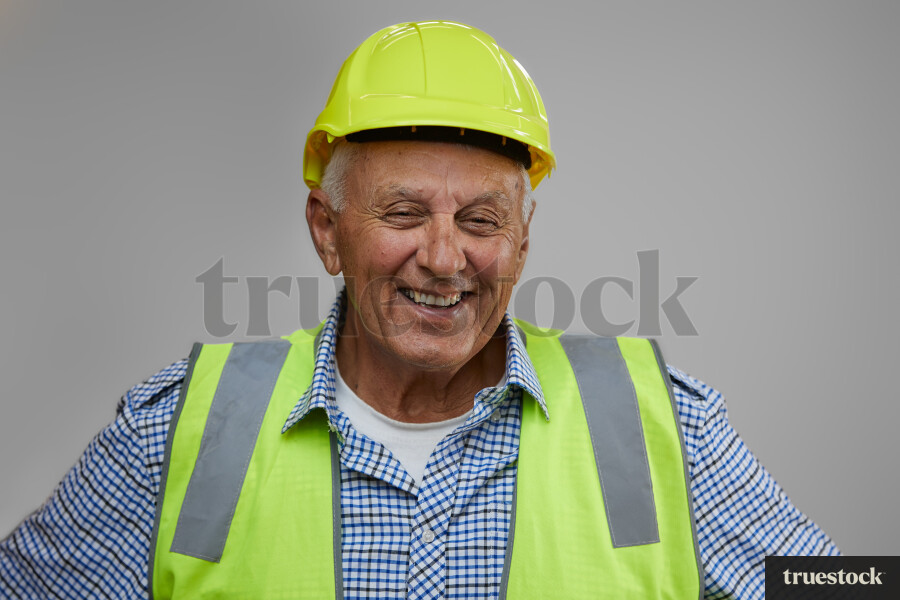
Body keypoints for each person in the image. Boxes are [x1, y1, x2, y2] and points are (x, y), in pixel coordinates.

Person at [0, 20, 837, 599]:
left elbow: (832, 581)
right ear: (327, 231)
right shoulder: (181, 430)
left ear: (522, 241)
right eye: (403, 215)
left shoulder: (657, 425)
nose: (445, 257)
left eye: (482, 221)